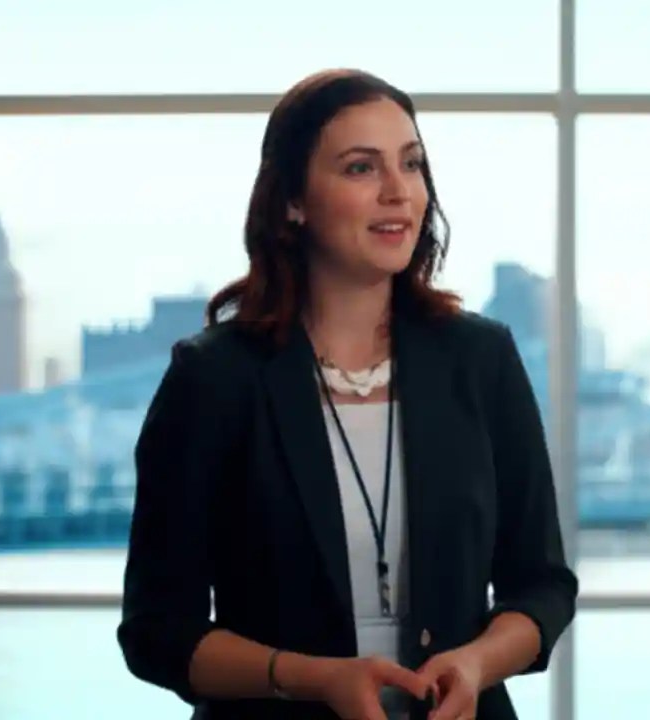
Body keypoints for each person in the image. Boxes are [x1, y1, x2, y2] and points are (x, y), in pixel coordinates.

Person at [117, 68, 578, 720]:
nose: (398, 192)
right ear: (293, 201)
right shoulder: (213, 378)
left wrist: (476, 663)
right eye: (362, 169)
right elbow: (156, 631)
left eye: (412, 165)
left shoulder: (482, 359)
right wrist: (312, 679)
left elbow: (543, 586)